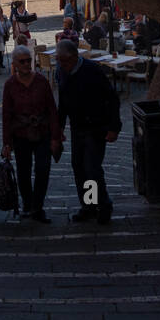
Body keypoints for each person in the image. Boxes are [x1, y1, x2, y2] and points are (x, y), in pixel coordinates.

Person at [55, 39, 120, 224]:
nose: (61, 64)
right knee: (79, 167)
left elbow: (112, 98)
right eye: (59, 61)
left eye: (65, 61)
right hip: (77, 127)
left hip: (95, 127)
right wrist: (59, 127)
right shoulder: (61, 72)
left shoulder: (92, 71)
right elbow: (63, 102)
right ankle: (89, 205)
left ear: (75, 57)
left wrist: (114, 127)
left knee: (92, 169)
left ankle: (103, 204)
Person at [1, 45, 63, 223]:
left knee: (43, 169)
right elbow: (7, 115)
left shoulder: (41, 81)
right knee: (23, 171)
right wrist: (7, 143)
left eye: (29, 60)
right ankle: (28, 203)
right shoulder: (10, 85)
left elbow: (52, 109)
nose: (27, 64)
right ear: (15, 64)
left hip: (42, 131)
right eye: (23, 61)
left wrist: (55, 137)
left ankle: (38, 206)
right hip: (20, 134)